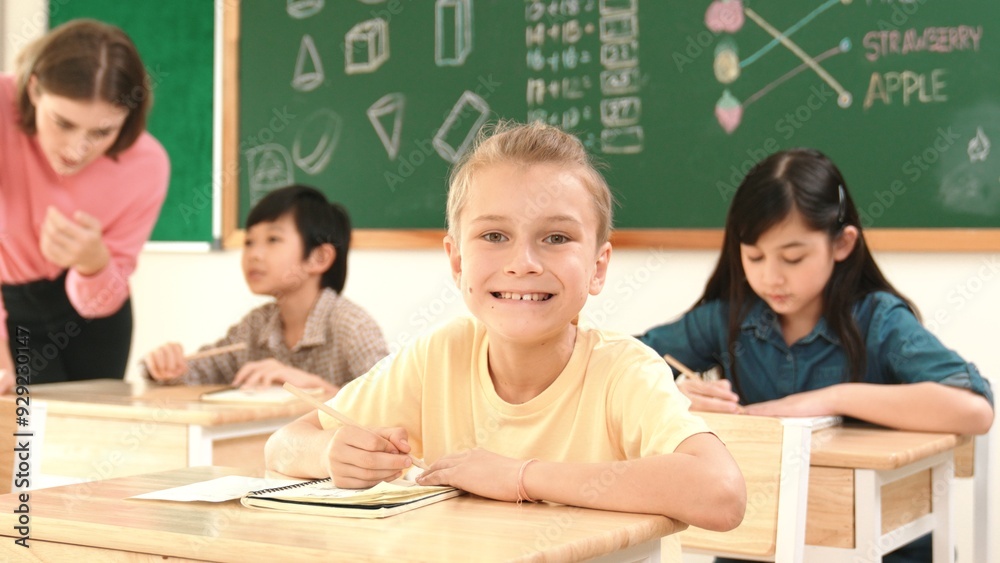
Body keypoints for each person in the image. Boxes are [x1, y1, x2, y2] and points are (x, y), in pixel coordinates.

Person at [264, 121, 746, 546]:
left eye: (556, 238)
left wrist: (520, 477)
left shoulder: (624, 371)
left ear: (598, 268)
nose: (523, 263)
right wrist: (331, 453)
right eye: (494, 236)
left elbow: (721, 494)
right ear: (457, 261)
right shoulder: (438, 356)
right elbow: (283, 445)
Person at [638, 148, 993, 563]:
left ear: (842, 243)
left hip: (883, 545)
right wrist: (675, 394)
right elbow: (619, 365)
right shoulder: (727, 318)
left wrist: (831, 399)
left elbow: (974, 408)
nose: (771, 276)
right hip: (764, 544)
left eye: (793, 257)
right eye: (754, 256)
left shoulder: (878, 320)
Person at [0, 19, 170, 393]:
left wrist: (94, 263)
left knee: (93, 425)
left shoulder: (148, 164)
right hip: (9, 304)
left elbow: (102, 300)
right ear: (34, 89)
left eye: (102, 132)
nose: (77, 150)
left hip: (94, 318)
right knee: (21, 428)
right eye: (63, 123)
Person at [143, 185, 388, 394]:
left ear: (319, 257)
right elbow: (198, 376)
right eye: (249, 242)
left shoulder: (353, 326)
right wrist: (167, 368)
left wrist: (316, 388)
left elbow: (389, 407)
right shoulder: (256, 326)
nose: (254, 255)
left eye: (273, 240)